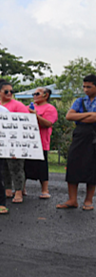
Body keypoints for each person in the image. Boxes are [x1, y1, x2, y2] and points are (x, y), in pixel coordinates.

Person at [59, 74, 96, 210]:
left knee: (92, 168)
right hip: (79, 136)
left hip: (93, 137)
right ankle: (72, 199)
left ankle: (88, 200)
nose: (86, 89)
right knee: (73, 164)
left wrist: (79, 117)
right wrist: (90, 115)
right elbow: (69, 116)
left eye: (89, 87)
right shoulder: (79, 101)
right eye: (84, 87)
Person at [0, 81, 30, 203]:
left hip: (16, 141)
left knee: (16, 167)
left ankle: (19, 191)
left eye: (12, 91)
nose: (9, 93)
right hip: (1, 141)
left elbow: (26, 122)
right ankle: (8, 189)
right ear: (0, 92)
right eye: (6, 91)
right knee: (4, 167)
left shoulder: (18, 105)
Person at [25, 87, 57, 199]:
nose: (34, 95)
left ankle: (45, 190)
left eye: (37, 93)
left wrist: (35, 115)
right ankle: (21, 189)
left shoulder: (50, 108)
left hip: (41, 142)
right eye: (33, 93)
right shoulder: (27, 107)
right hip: (26, 141)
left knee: (42, 167)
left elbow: (48, 123)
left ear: (46, 95)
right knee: (24, 165)